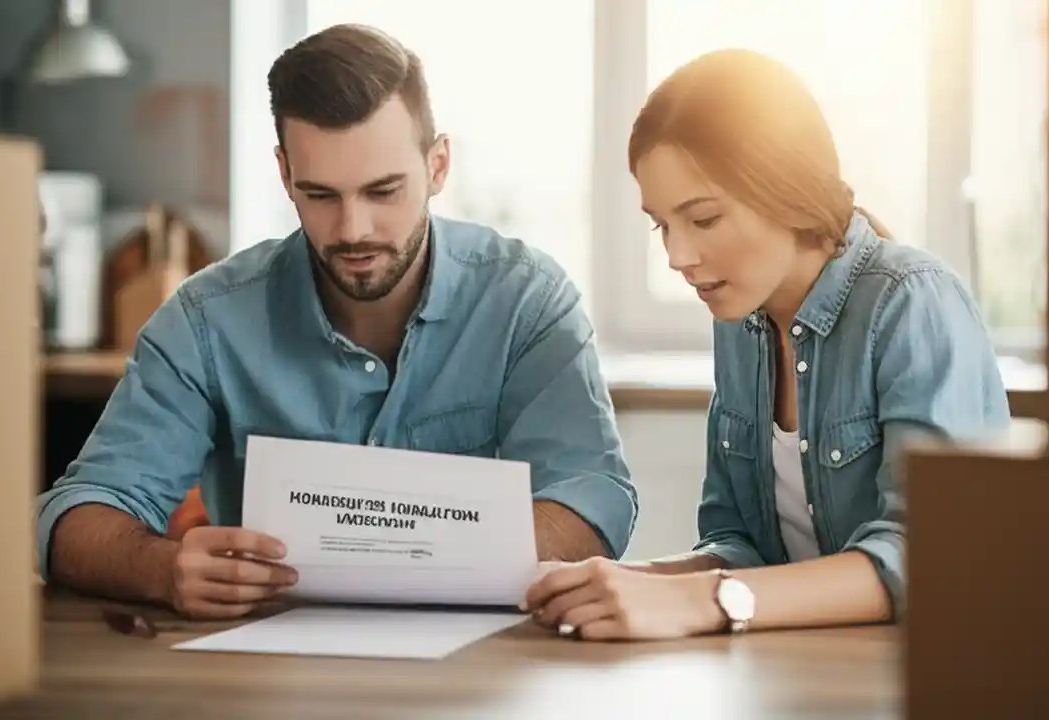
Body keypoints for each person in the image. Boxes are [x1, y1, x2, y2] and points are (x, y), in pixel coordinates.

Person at [36, 24, 637, 620]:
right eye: (321, 194)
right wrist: (160, 570)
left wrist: (397, 554)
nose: (353, 230)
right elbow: (75, 516)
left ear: (438, 165)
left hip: (477, 675)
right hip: (265, 679)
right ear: (284, 173)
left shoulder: (525, 300)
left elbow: (594, 501)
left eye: (383, 191)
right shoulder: (206, 321)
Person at [524, 49, 1010, 640]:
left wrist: (698, 601)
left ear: (788, 189)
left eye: (702, 220)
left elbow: (928, 558)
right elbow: (741, 543)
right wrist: (632, 582)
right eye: (662, 225)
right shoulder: (741, 320)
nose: (678, 257)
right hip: (801, 674)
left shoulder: (914, 302)